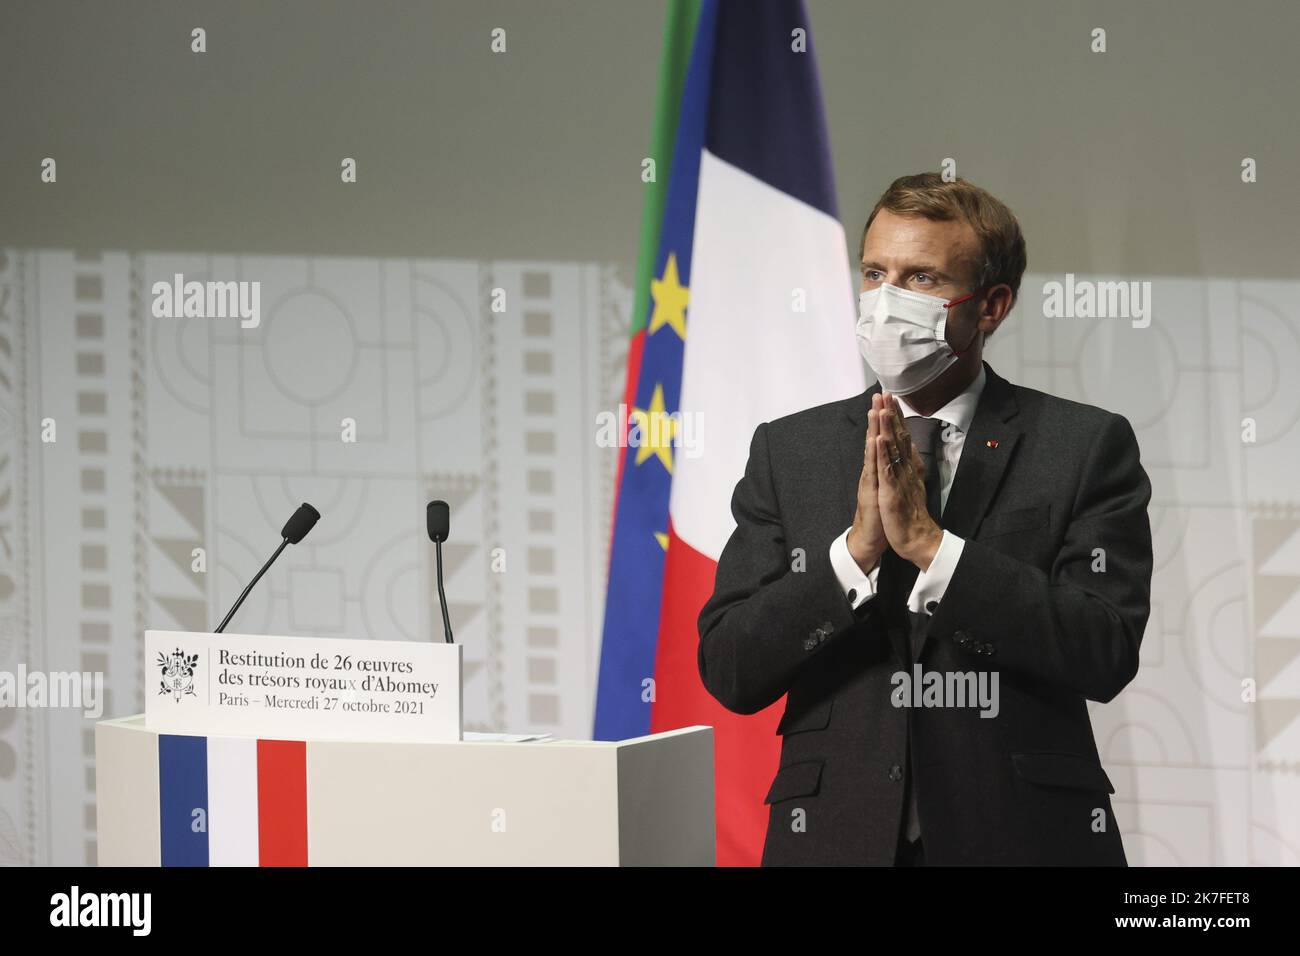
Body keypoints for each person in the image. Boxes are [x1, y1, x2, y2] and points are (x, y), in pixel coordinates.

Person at [697, 173, 1153, 866]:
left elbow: (1105, 650)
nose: (887, 303)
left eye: (921, 279)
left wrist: (936, 551)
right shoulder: (791, 450)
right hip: (834, 836)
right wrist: (854, 555)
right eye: (875, 273)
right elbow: (730, 666)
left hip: (1022, 836)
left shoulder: (1084, 446)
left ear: (991, 305)